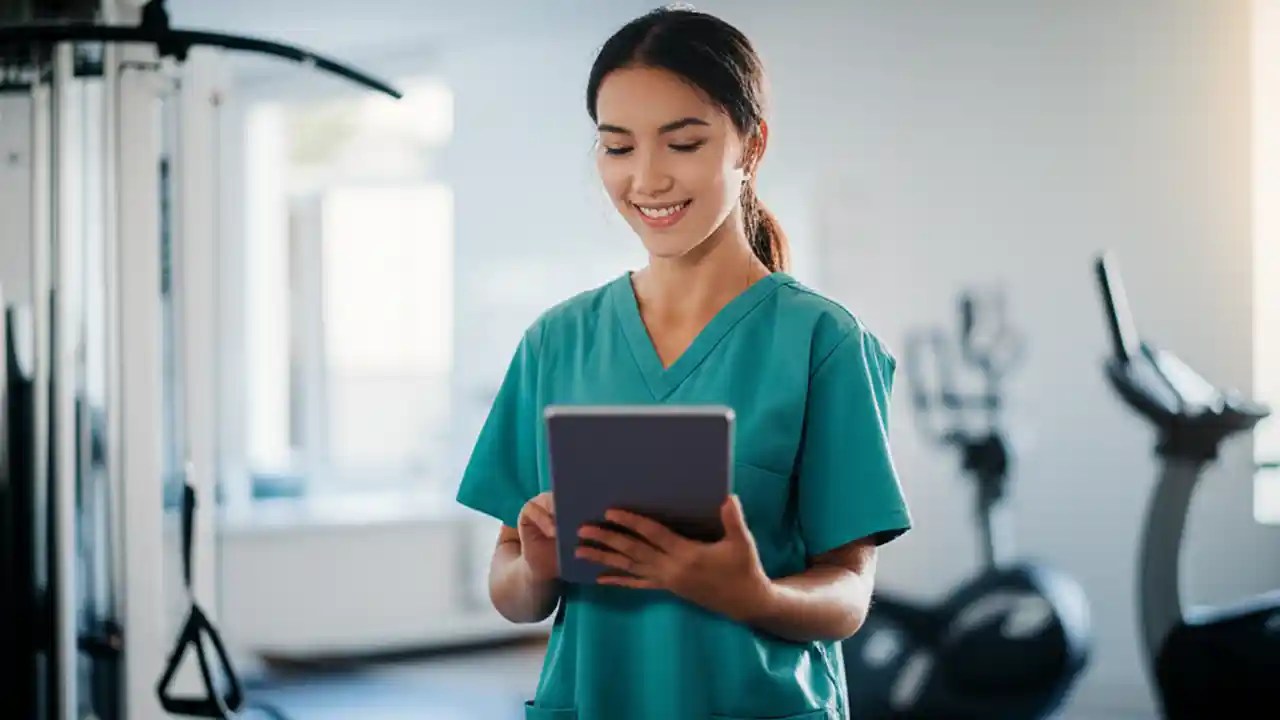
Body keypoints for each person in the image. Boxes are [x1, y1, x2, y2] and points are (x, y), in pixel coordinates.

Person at [455, 5, 911, 719]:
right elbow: (511, 587)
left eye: (683, 143)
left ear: (750, 146)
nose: (647, 179)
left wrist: (753, 595)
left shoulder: (823, 342)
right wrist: (537, 568)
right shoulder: (556, 342)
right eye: (618, 147)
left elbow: (849, 592)